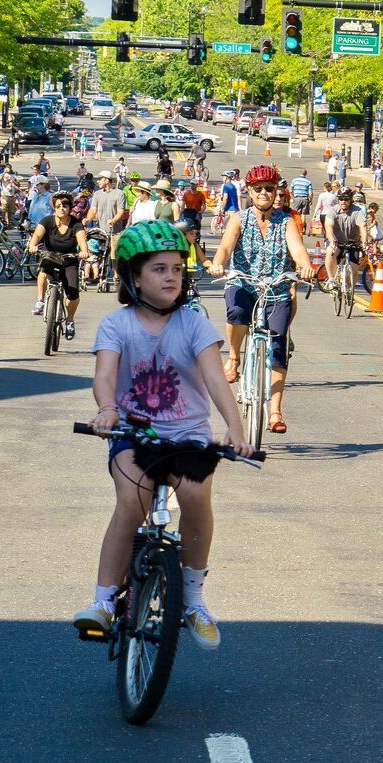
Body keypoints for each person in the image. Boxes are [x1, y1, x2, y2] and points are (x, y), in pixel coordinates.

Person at [75, 221, 257, 645]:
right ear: (134, 277)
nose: (172, 276)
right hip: (132, 433)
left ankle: (193, 599)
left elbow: (215, 379)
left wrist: (236, 428)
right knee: (131, 501)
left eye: (177, 268)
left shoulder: (194, 324)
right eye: (159, 269)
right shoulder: (116, 324)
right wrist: (107, 409)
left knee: (195, 497)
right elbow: (104, 375)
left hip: (188, 434)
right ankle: (103, 601)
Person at [207, 163, 311, 435]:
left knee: (278, 347)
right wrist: (219, 264)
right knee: (237, 313)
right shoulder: (239, 219)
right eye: (258, 189)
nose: (264, 192)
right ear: (250, 192)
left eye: (269, 188)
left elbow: (297, 249)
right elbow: (226, 247)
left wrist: (305, 266)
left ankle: (275, 411)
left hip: (276, 288)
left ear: (276, 191)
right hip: (244, 281)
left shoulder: (286, 221)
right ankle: (234, 358)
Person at [28, 193, 90, 338]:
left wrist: (84, 251)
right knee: (43, 272)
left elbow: (81, 240)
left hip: (69, 260)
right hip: (51, 257)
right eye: (58, 206)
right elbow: (37, 235)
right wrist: (32, 245)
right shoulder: (47, 221)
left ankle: (69, 321)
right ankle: (40, 300)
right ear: (54, 208)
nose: (62, 208)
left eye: (65, 205)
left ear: (70, 207)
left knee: (73, 294)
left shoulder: (76, 224)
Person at [86, 171, 126, 237]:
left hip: (115, 233)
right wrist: (88, 219)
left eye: (100, 179)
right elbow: (93, 210)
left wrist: (113, 221)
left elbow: (120, 211)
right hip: (100, 232)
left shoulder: (119, 193)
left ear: (107, 180)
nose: (97, 181)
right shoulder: (97, 194)